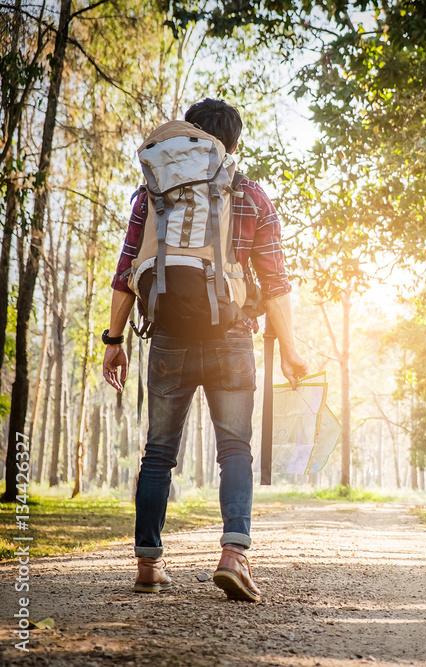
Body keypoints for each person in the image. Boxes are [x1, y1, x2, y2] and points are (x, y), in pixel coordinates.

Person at [101, 98, 308, 602]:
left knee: (158, 452)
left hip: (168, 334)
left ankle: (148, 563)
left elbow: (127, 270)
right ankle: (234, 555)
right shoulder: (251, 196)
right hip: (232, 336)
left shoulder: (153, 196)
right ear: (232, 143)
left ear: (192, 137)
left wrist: (113, 341)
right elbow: (276, 283)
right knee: (235, 447)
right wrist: (290, 349)